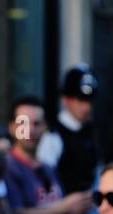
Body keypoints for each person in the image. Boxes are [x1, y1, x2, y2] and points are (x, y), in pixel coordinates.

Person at [3, 95, 92, 214]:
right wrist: (64, 207)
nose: (30, 130)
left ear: (45, 127)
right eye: (23, 123)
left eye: (36, 123)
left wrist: (78, 208)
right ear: (11, 127)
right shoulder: (6, 167)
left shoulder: (48, 168)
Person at [36, 64, 101, 201]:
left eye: (90, 100)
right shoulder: (52, 136)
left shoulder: (91, 131)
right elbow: (45, 183)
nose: (87, 106)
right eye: (81, 100)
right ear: (65, 99)